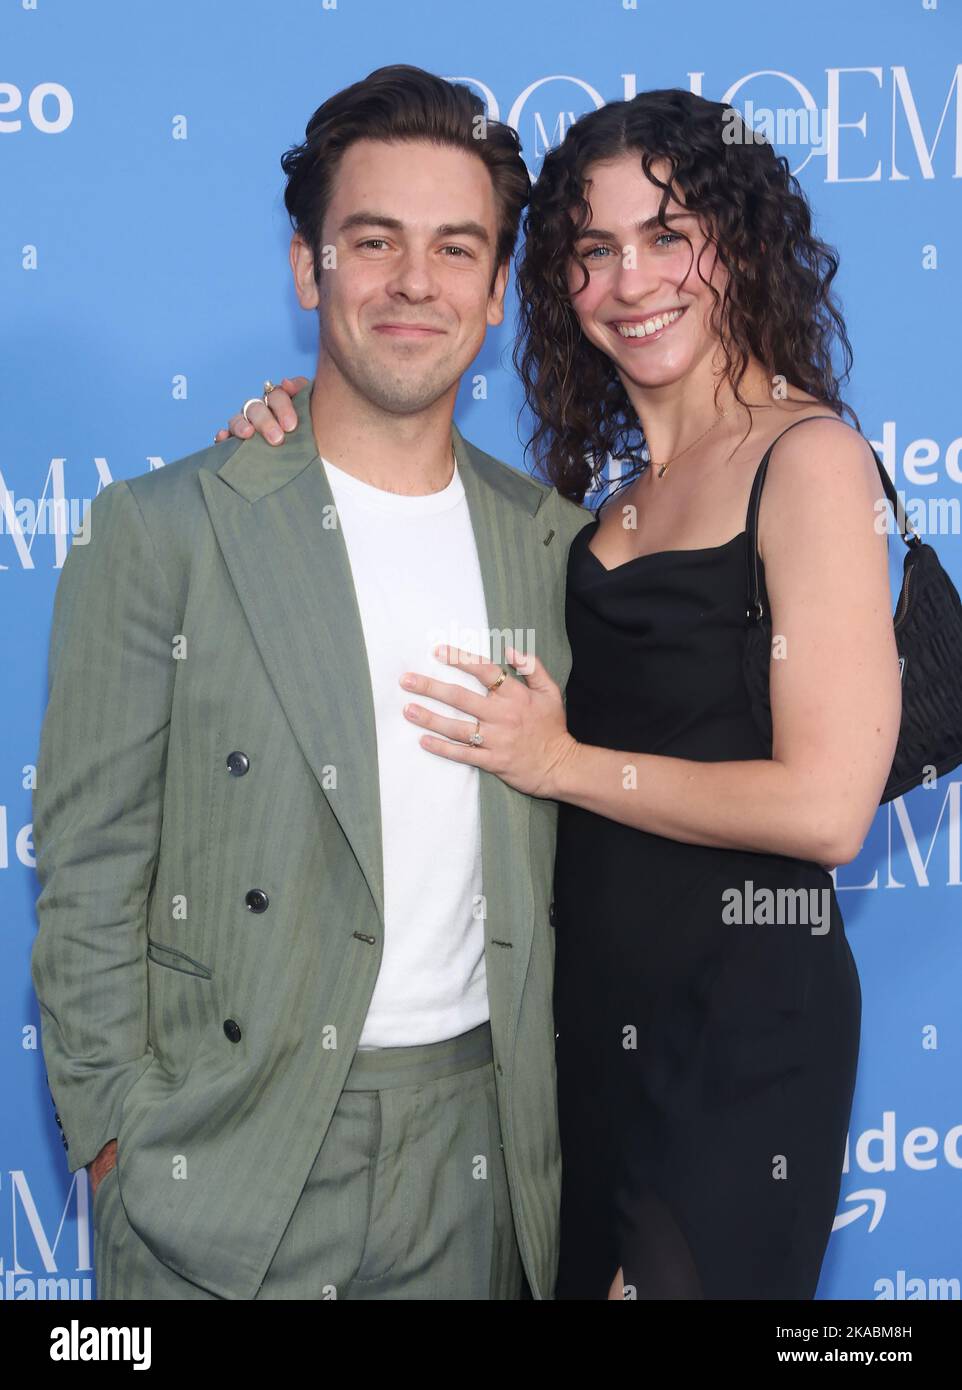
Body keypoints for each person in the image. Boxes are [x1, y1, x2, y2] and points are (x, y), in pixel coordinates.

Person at [227, 89, 901, 1300]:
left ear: (734, 244)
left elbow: (827, 810)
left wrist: (559, 763)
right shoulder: (599, 510)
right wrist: (294, 437)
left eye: (665, 233)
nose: (630, 279)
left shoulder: (808, 461)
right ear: (556, 284)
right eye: (593, 250)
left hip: (735, 1038)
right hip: (575, 1030)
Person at [30, 65, 590, 1301]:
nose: (412, 282)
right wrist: (119, 1139)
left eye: (455, 250)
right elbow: (88, 869)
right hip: (225, 1167)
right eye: (372, 240)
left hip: (477, 1165)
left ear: (495, 292)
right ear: (308, 269)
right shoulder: (163, 528)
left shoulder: (552, 544)